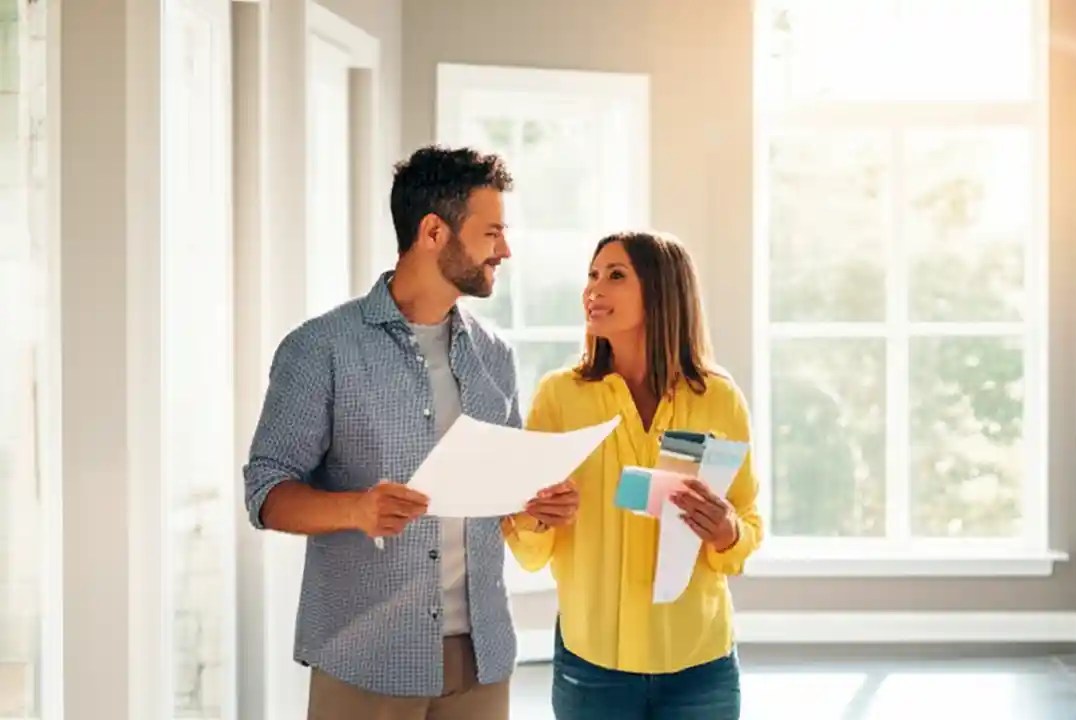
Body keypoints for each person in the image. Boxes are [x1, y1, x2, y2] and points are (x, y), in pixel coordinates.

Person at [244, 145, 532, 719]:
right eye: (491, 232)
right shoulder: (320, 348)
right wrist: (356, 509)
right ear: (433, 232)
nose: (504, 250)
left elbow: (504, 494)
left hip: (482, 659)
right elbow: (266, 493)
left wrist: (536, 504)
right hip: (366, 659)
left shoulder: (494, 356)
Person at [503, 231, 764, 720]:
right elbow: (527, 547)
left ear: (661, 291)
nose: (593, 289)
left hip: (699, 665)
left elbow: (747, 523)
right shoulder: (559, 397)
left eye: (615, 275)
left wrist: (727, 531)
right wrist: (537, 517)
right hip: (593, 666)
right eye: (592, 275)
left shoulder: (719, 398)